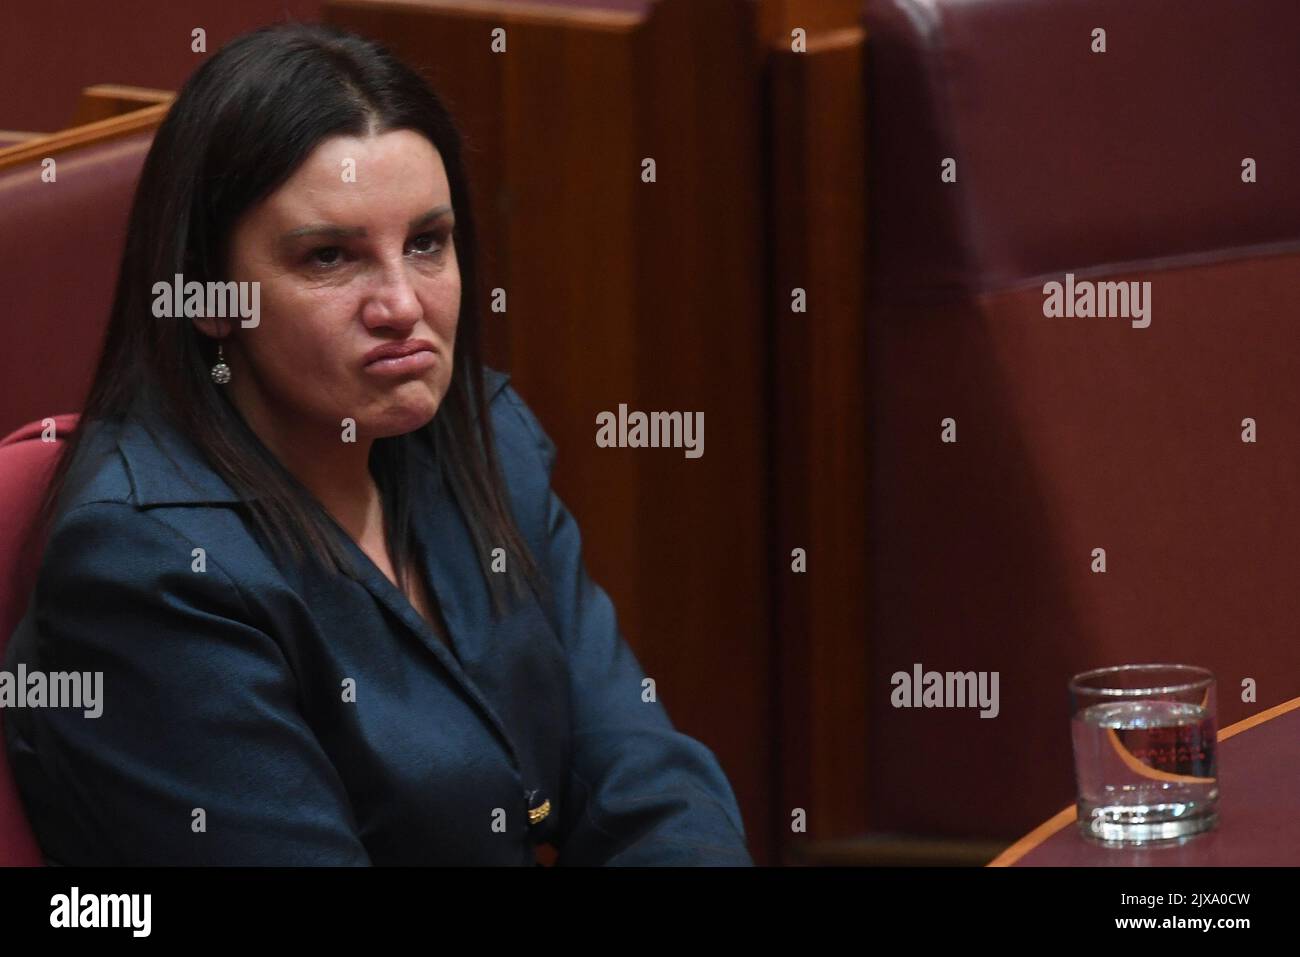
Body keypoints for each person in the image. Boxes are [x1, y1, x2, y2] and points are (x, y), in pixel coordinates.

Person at [2, 22, 751, 866]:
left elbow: (646, 773)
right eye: (331, 257)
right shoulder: (147, 566)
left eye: (427, 243)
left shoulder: (483, 436)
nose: (402, 303)